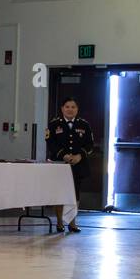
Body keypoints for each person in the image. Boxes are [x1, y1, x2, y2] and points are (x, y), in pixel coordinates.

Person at [44, 96, 96, 233]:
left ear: (77, 109)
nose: (70, 110)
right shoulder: (54, 124)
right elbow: (51, 143)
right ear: (62, 108)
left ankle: (73, 223)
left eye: (73, 107)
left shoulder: (84, 125)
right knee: (60, 194)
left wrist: (80, 155)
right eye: (67, 107)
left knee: (75, 194)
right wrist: (64, 155)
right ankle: (60, 223)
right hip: (60, 165)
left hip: (78, 165)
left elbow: (90, 145)